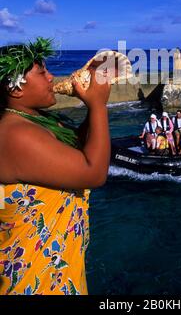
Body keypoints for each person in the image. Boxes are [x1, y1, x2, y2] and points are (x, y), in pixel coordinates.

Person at [0, 38, 111, 295]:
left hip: (58, 271)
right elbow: (93, 173)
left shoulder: (38, 121)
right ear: (15, 89)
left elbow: (81, 150)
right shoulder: (15, 134)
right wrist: (98, 106)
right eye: (42, 72)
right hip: (34, 281)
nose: (51, 78)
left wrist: (91, 103)